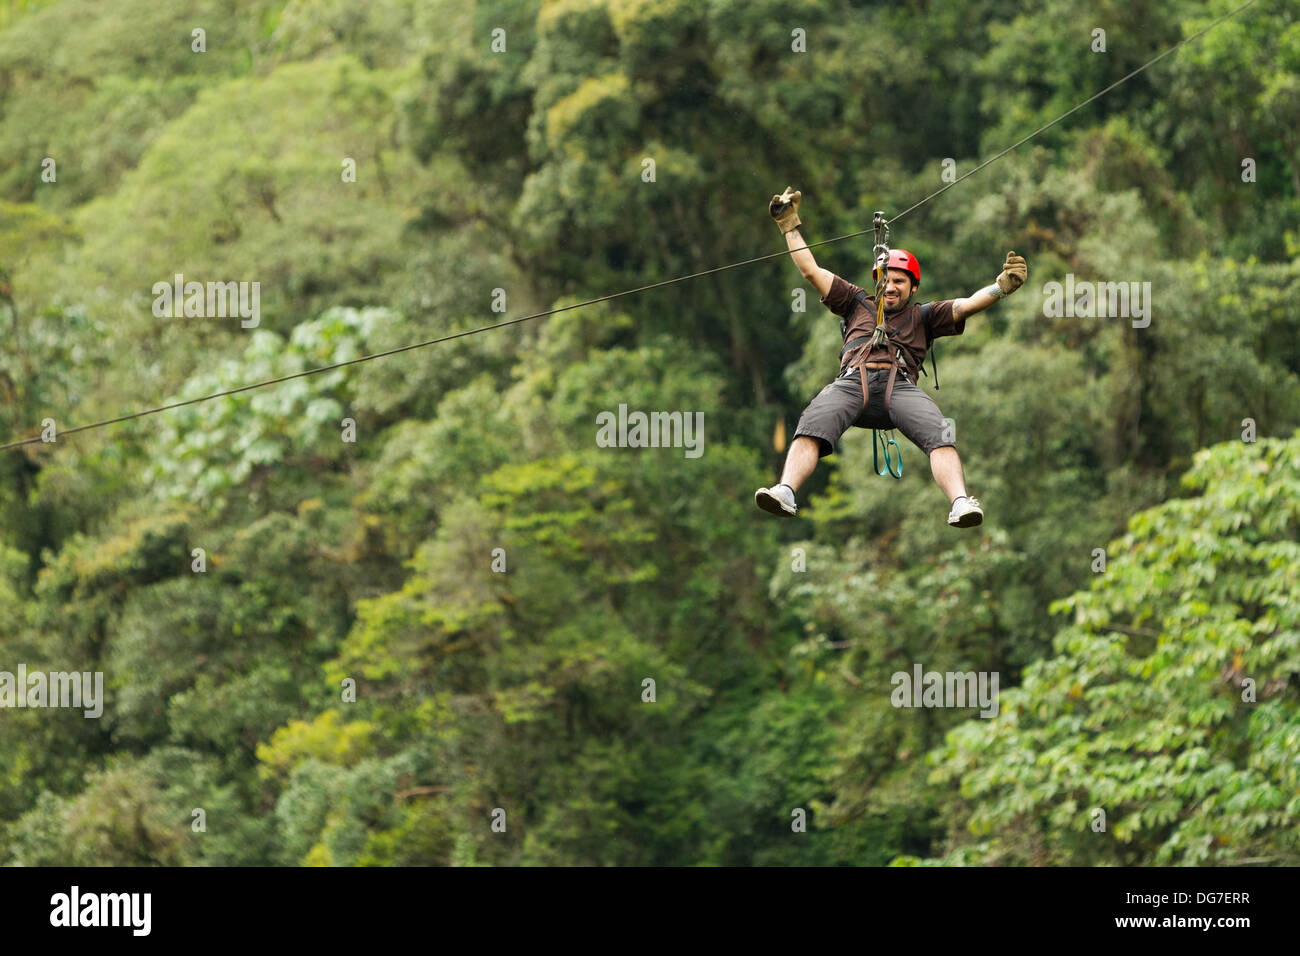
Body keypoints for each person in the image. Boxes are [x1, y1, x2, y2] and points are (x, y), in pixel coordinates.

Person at [754, 186, 1027, 527]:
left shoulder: (924, 316)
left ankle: (959, 502)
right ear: (876, 281)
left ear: (913, 288)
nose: (891, 286)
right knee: (812, 423)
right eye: (885, 279)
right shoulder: (856, 302)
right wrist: (789, 225)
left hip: (899, 388)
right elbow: (811, 271)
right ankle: (786, 491)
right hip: (854, 382)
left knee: (939, 433)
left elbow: (967, 304)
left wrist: (1000, 287)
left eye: (899, 281)